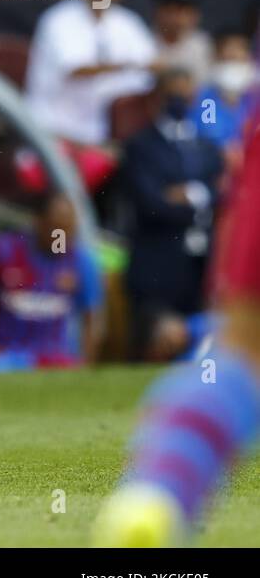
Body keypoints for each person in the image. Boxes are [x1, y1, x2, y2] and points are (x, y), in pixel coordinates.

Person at [94, 45, 260, 546]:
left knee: (244, 352)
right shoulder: (148, 146)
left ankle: (153, 496)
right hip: (161, 277)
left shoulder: (209, 145)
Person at [120, 67, 224, 361]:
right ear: (157, 98)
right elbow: (152, 204)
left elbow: (222, 194)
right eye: (173, 94)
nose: (180, 100)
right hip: (156, 261)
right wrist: (199, 201)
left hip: (200, 261)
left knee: (199, 346)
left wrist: (188, 195)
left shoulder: (206, 148)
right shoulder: (140, 145)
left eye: (186, 94)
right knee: (152, 342)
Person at [23, 0, 157, 186]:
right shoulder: (59, 20)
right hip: (50, 135)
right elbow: (78, 69)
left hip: (97, 139)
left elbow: (154, 67)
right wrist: (127, 65)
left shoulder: (127, 23)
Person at [0, 192, 104, 370]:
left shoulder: (82, 261)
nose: (62, 238)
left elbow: (93, 318)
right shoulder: (3, 251)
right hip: (10, 359)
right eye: (56, 229)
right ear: (38, 222)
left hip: (60, 360)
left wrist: (85, 364)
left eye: (68, 230)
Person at [195, 32, 258, 165]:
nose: (234, 54)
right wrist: (226, 147)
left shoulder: (254, 97)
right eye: (228, 55)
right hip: (215, 163)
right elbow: (207, 130)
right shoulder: (207, 98)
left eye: (240, 50)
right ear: (216, 57)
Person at [150, 0, 212, 89]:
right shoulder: (142, 38)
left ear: (196, 15)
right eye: (171, 10)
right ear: (158, 11)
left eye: (185, 11)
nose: (178, 18)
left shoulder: (202, 45)